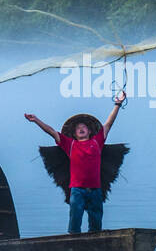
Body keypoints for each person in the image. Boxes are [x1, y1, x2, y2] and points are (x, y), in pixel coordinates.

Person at [25, 91, 127, 234]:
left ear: (89, 131)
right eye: (78, 128)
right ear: (74, 134)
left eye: (83, 127)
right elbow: (51, 132)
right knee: (75, 222)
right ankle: (74, 243)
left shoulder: (97, 142)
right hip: (77, 190)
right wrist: (36, 120)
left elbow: (109, 123)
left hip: (95, 190)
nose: (81, 128)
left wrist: (118, 104)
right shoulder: (70, 144)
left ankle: (96, 244)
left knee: (96, 223)